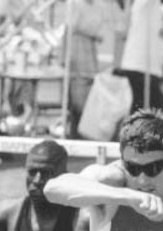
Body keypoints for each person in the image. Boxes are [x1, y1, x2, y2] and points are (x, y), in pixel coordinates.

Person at [64, 0, 108, 139]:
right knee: (77, 96)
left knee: (88, 94)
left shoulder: (99, 6)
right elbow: (72, 26)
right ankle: (75, 131)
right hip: (76, 53)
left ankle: (83, 130)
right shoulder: (75, 4)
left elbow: (100, 31)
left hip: (89, 55)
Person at [120, 0, 163, 115]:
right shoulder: (144, 4)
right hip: (139, 66)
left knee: (142, 109)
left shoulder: (158, 10)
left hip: (148, 68)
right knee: (156, 110)